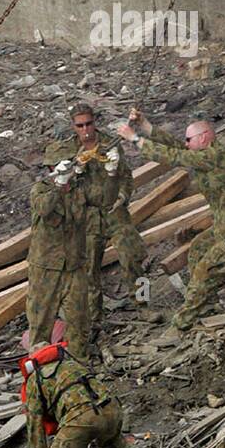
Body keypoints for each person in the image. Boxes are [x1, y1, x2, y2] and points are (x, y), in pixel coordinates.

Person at [116, 109, 225, 332]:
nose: (186, 144)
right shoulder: (204, 156)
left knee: (206, 268)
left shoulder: (215, 157)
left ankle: (184, 321)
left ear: (204, 137)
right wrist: (144, 125)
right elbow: (177, 147)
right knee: (197, 250)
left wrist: (135, 139)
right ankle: (206, 302)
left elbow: (176, 156)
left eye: (189, 139)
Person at [44, 103, 148, 336]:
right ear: (73, 126)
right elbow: (56, 185)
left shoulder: (109, 143)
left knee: (133, 259)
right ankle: (94, 318)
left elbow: (126, 177)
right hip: (88, 217)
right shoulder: (67, 150)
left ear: (95, 122)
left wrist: (123, 195)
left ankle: (145, 305)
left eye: (89, 123)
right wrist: (70, 174)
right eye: (80, 125)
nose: (86, 129)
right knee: (89, 271)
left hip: (114, 211)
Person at [21, 338, 153, 448]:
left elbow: (34, 424)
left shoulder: (35, 378)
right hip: (111, 408)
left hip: (81, 417)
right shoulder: (73, 365)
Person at [26, 149, 91, 359]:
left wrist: (109, 171)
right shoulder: (40, 189)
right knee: (41, 317)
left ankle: (78, 363)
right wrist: (58, 186)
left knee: (79, 317)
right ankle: (40, 369)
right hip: (46, 266)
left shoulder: (80, 187)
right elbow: (44, 210)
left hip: (74, 264)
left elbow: (104, 199)